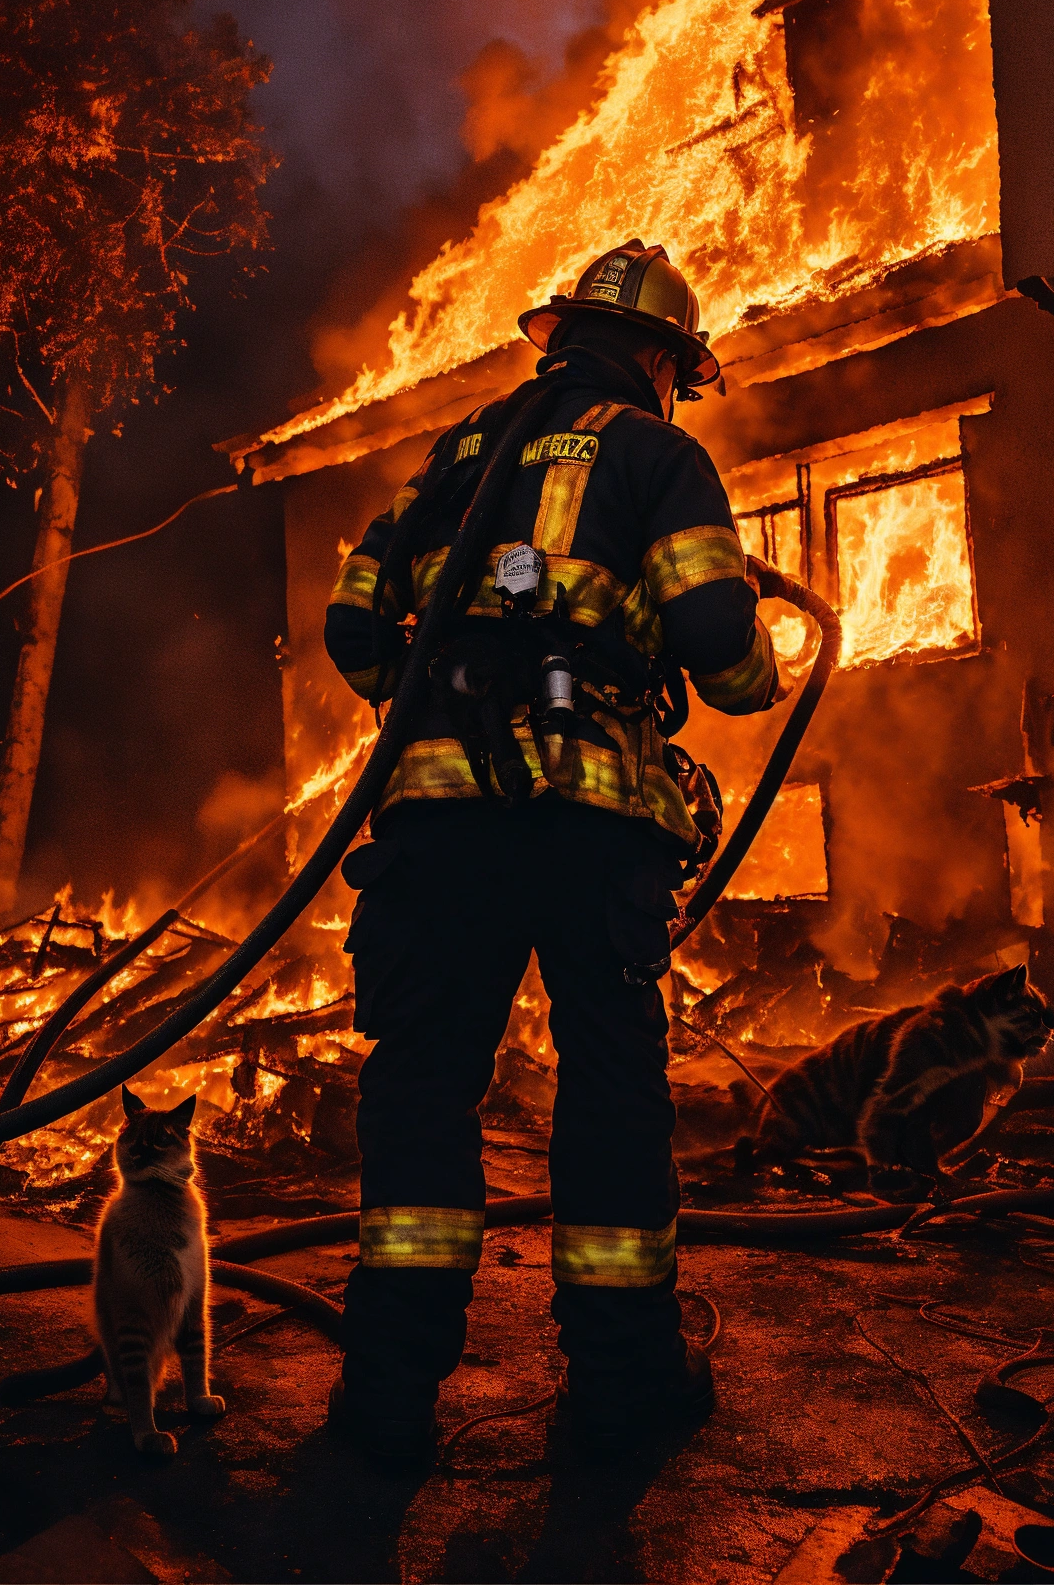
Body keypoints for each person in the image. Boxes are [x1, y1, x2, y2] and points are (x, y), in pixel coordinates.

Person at [322, 238, 784, 1464]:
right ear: (657, 358)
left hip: (435, 831)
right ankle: (621, 1393)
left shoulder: (455, 461)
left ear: (559, 337)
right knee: (610, 1102)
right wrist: (748, 658)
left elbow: (354, 631)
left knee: (422, 1093)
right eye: (681, 369)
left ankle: (383, 1409)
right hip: (589, 829)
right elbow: (722, 658)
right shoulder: (657, 455)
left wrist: (439, 682)